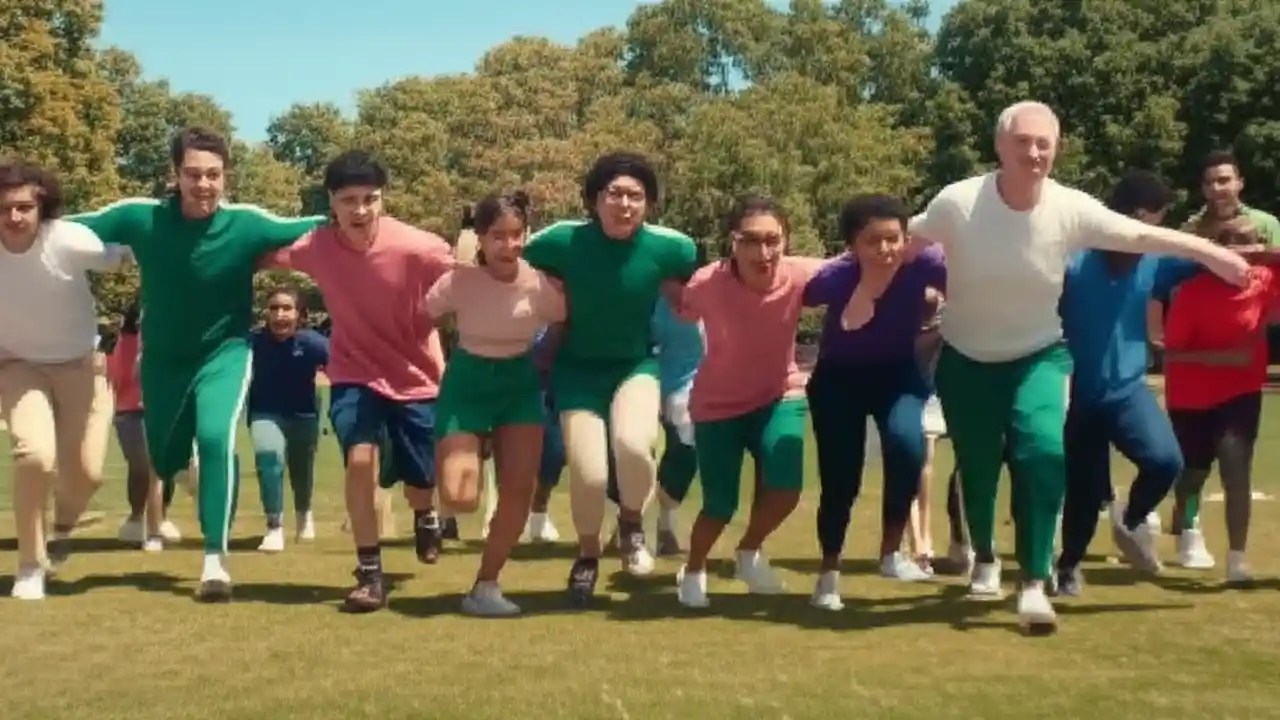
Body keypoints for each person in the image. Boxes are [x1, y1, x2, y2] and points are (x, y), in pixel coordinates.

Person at [903, 101, 1250, 633]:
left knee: (1044, 455)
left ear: (1056, 149)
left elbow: (1139, 236)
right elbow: (902, 244)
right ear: (1000, 146)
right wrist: (859, 285)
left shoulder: (1069, 207)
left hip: (1038, 356)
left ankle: (1034, 584)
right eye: (1023, 142)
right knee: (978, 468)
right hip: (966, 360)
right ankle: (986, 558)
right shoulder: (957, 201)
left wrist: (1211, 253)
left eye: (1044, 143)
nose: (1034, 153)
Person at [69, 127, 325, 601]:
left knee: (214, 437)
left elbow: (315, 225)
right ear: (176, 174)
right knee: (164, 459)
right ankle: (189, 468)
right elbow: (66, 227)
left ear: (226, 176)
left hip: (224, 354)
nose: (204, 185)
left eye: (213, 175)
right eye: (193, 174)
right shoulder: (141, 218)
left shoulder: (247, 224)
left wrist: (363, 215)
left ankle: (214, 562)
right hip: (162, 361)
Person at [264, 150, 454, 612]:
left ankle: (425, 515)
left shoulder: (418, 247)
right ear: (331, 202)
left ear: (383, 199)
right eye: (348, 200)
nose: (361, 210)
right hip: (353, 372)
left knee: (420, 480)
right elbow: (257, 252)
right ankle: (370, 571)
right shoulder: (316, 246)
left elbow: (470, 277)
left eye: (370, 199)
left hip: (415, 379)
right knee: (360, 462)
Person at [523, 152, 698, 607]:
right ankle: (586, 556)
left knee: (634, 445)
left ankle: (631, 525)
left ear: (650, 203)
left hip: (635, 366)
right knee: (589, 472)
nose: (624, 204)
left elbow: (701, 288)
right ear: (594, 200)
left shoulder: (672, 248)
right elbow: (505, 253)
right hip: (576, 371)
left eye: (635, 196)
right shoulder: (559, 241)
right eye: (614, 194)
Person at [673, 196, 825, 609]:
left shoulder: (801, 275)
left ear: (786, 240)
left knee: (786, 489)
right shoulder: (706, 283)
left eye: (773, 240)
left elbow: (857, 265)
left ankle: (748, 552)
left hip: (779, 394)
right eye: (752, 241)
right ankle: (694, 570)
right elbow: (680, 307)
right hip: (717, 405)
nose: (764, 252)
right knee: (719, 505)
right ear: (733, 242)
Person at [1054, 170, 1201, 597]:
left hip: (1127, 391)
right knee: (1083, 492)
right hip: (1077, 394)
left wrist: (1249, 248)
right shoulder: (1074, 262)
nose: (1150, 233)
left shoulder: (1157, 259)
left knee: (1165, 461)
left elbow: (1215, 257)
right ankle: (1068, 566)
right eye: (1148, 223)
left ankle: (1131, 518)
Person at [802, 194, 946, 611]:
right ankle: (829, 574)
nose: (885, 249)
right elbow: (803, 293)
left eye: (893, 239)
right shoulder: (838, 276)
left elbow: (968, 279)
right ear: (852, 245)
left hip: (897, 376)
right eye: (872, 241)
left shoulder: (924, 262)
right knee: (840, 478)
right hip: (839, 379)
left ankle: (891, 554)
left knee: (907, 446)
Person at [426, 190, 565, 616]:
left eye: (516, 234)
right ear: (481, 239)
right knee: (461, 496)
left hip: (519, 382)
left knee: (519, 489)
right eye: (498, 236)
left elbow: (563, 322)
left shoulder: (540, 286)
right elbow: (421, 317)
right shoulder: (458, 282)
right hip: (467, 381)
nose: (509, 245)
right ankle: (453, 474)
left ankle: (486, 585)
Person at [0, 161, 128, 600]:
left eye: (23, 207)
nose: (14, 217)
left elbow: (121, 256)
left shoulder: (69, 240)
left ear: (42, 208)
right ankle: (29, 565)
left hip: (81, 367)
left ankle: (63, 527)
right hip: (19, 367)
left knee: (87, 475)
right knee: (35, 457)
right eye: (4, 208)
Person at [1164, 216, 1278, 584]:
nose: (1243, 253)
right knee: (1193, 473)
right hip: (1191, 395)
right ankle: (1185, 519)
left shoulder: (1264, 281)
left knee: (1235, 466)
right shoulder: (1191, 293)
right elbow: (1172, 354)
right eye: (1233, 243)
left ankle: (1237, 558)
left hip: (1240, 392)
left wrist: (1261, 252)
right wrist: (1222, 357)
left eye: (1250, 243)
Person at [248, 286, 329, 552]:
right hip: (264, 413)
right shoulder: (254, 342)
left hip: (304, 415)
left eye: (286, 308)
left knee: (301, 470)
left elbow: (342, 368)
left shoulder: (313, 343)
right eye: (274, 308)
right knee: (268, 457)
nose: (279, 315)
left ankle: (304, 513)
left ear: (299, 315)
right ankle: (274, 527)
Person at [108, 298, 182, 551]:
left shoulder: (173, 339)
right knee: (142, 467)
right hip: (130, 412)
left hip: (163, 409)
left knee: (160, 467)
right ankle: (139, 517)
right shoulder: (125, 341)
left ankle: (158, 519)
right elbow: (118, 377)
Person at [908, 286, 948, 570]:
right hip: (904, 395)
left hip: (932, 397)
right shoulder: (901, 322)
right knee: (915, 466)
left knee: (925, 468)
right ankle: (918, 543)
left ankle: (923, 539)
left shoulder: (946, 323)